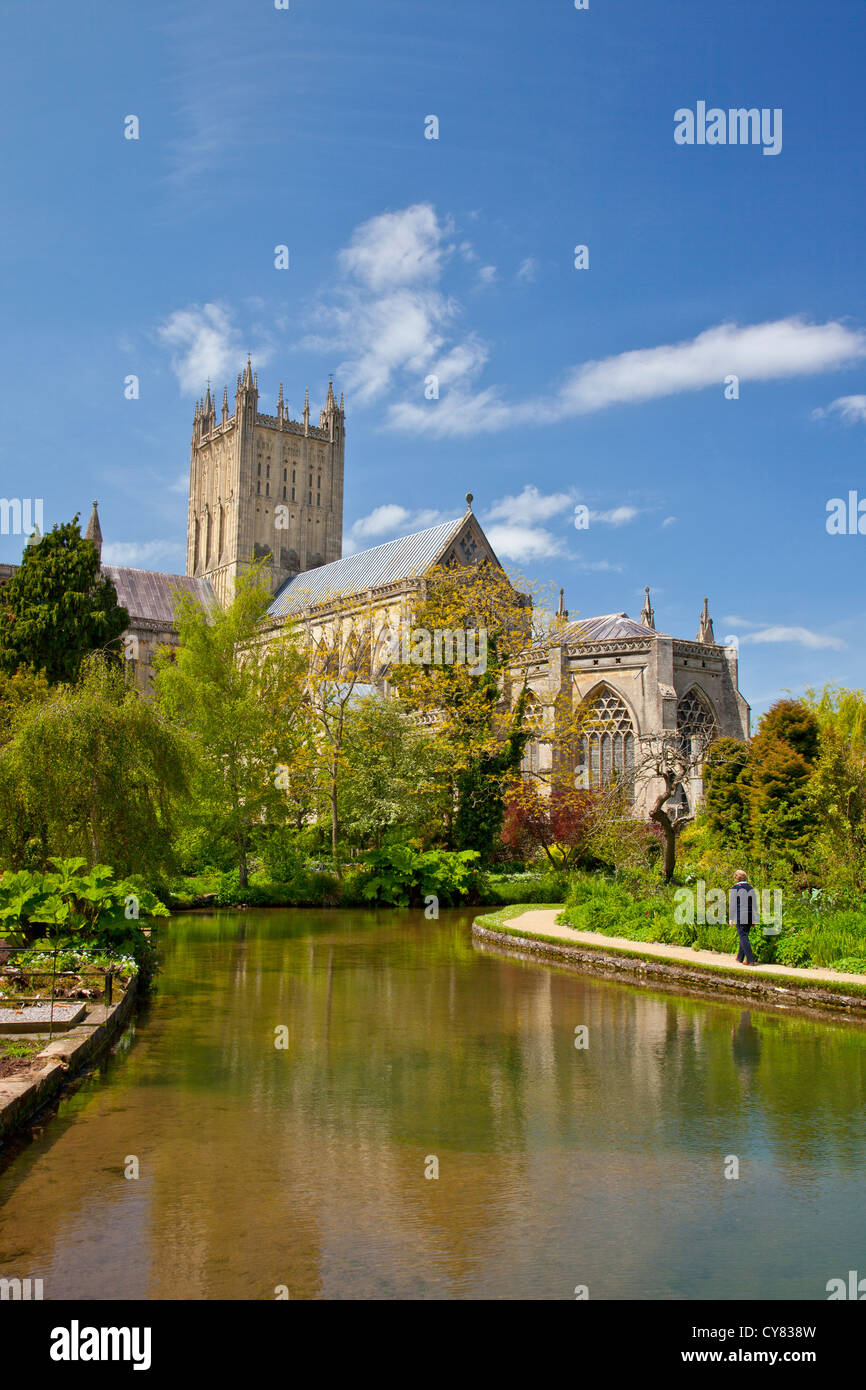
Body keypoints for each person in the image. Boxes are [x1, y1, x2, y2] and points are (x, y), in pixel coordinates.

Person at [729, 870, 759, 965]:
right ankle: (739, 957)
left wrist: (731, 918)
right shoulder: (750, 888)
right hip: (750, 915)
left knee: (743, 936)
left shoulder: (735, 888)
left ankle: (750, 960)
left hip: (740, 914)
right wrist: (754, 918)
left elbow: (733, 904)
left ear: (736, 878)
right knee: (744, 935)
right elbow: (754, 904)